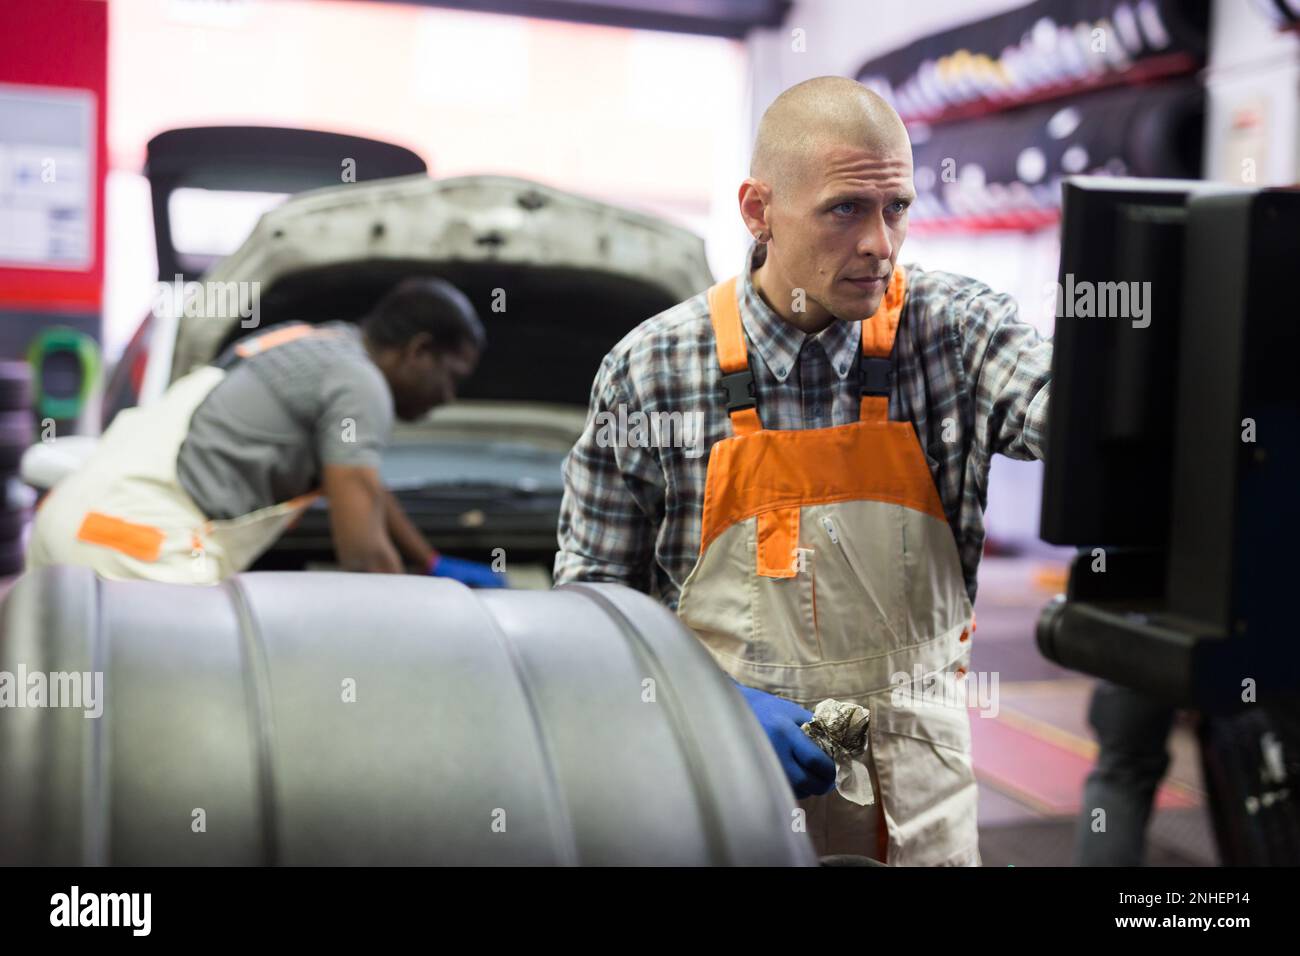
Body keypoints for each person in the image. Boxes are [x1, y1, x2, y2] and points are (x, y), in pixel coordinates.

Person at [553, 76, 1052, 865]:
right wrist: (708, 699)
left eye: (897, 209)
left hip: (917, 802)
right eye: (846, 209)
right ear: (759, 211)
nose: (881, 245)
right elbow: (590, 606)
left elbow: (1069, 415)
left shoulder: (953, 334)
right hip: (723, 780)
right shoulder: (653, 370)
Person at [28, 277, 504, 588]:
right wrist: (429, 622)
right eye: (452, 377)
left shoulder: (308, 343)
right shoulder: (361, 384)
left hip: (69, 532)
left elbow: (367, 486)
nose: (448, 398)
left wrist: (429, 561)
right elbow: (362, 559)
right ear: (418, 351)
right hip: (134, 551)